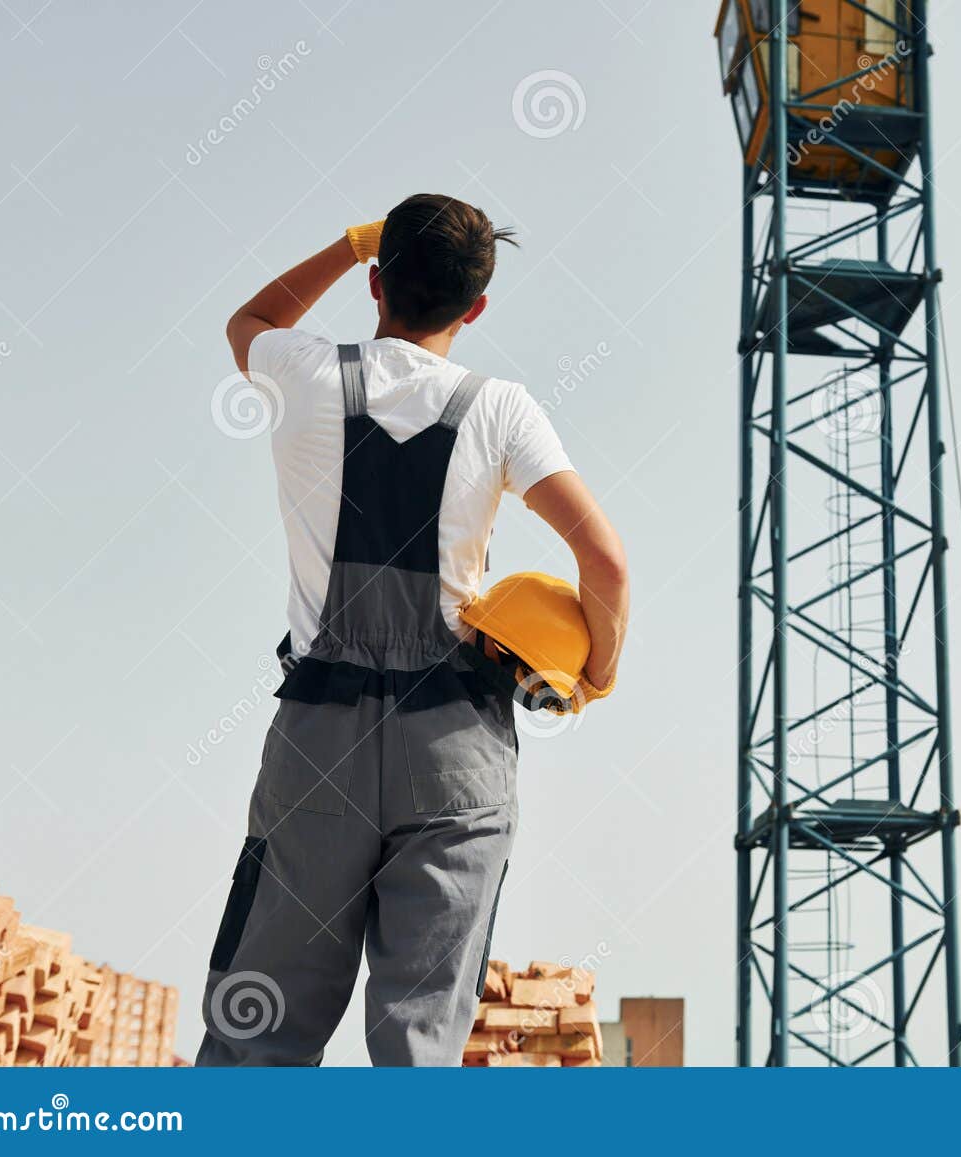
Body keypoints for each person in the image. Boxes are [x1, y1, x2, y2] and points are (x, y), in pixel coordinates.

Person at [195, 194, 629, 1066]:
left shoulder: (307, 373)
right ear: (475, 309)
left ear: (374, 282)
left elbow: (250, 318)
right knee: (418, 1046)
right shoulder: (503, 410)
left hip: (318, 737)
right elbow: (606, 564)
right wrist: (594, 675)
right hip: (455, 749)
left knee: (259, 1035)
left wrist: (342, 245)